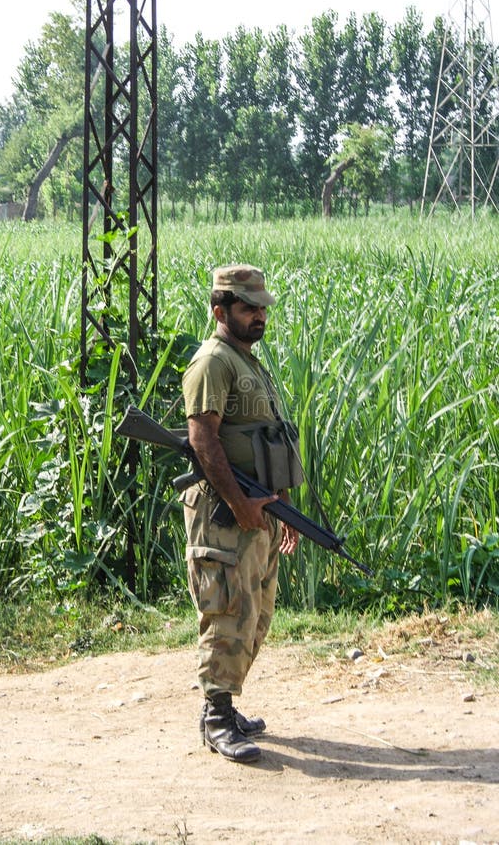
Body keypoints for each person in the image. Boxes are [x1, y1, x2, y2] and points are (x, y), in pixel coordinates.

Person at [180, 263, 301, 764]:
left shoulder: (245, 360)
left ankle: (227, 708)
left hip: (258, 512)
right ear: (220, 310)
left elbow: (266, 440)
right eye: (248, 308)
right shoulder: (213, 361)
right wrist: (238, 502)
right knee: (227, 612)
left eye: (261, 307)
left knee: (254, 615)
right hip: (225, 516)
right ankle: (215, 718)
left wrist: (283, 505)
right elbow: (203, 439)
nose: (259, 316)